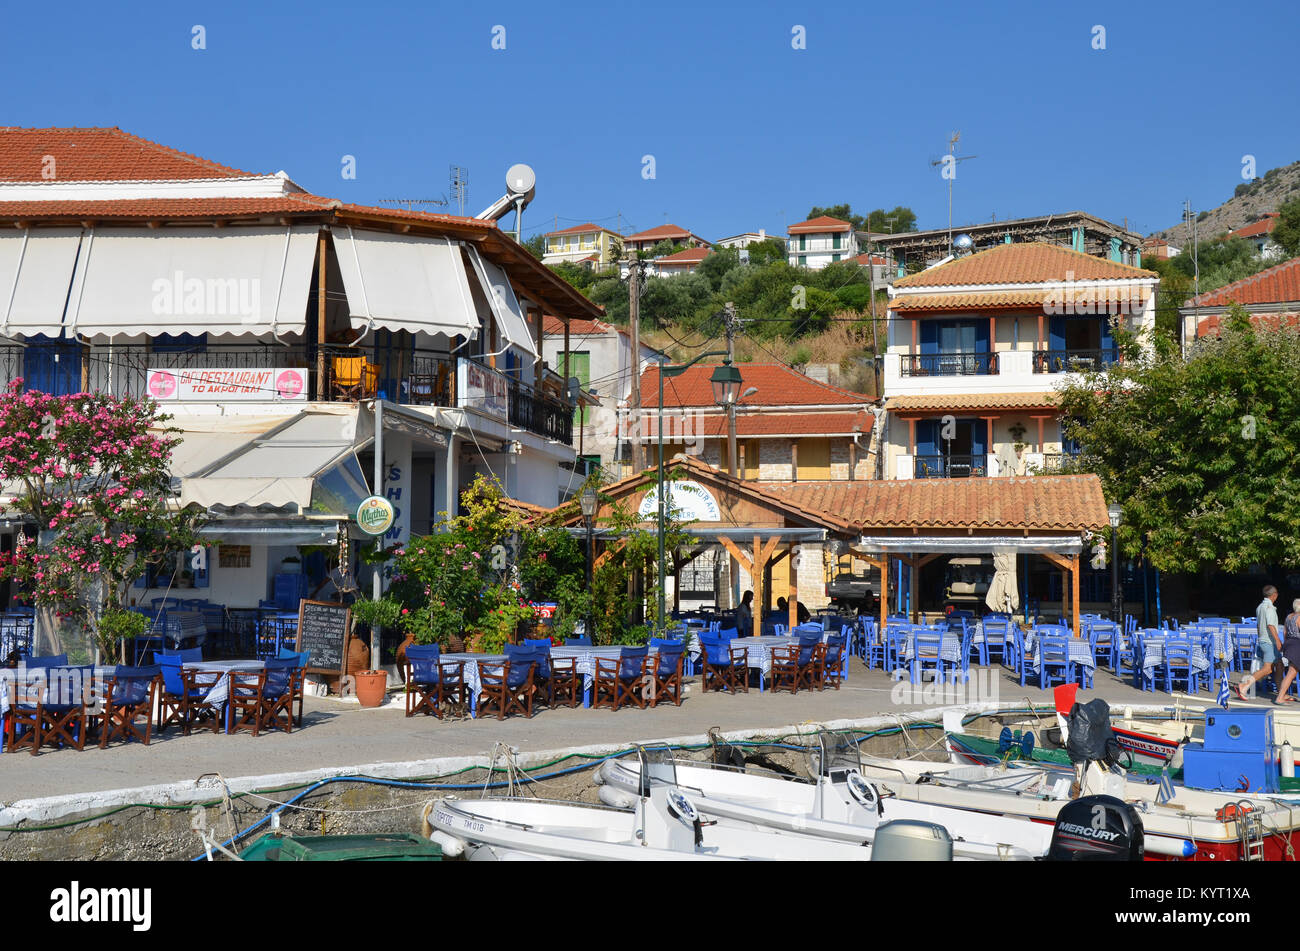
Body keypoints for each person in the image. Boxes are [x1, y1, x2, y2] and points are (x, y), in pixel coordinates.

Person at [1239, 584, 1284, 700]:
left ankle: (1281, 692)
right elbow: (1270, 625)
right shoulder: (1269, 608)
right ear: (1274, 595)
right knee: (1268, 668)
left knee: (1279, 665)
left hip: (1264, 640)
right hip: (1269, 641)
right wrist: (1278, 640)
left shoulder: (1259, 607)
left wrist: (1260, 637)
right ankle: (1245, 685)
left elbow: (1259, 626)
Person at [1274, 599, 1300, 703]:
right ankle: (1280, 697)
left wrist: (1286, 645)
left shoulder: (1289, 617)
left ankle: (1281, 696)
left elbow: (1285, 632)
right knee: (1291, 673)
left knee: (1291, 672)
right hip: (1297, 645)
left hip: (1289, 644)